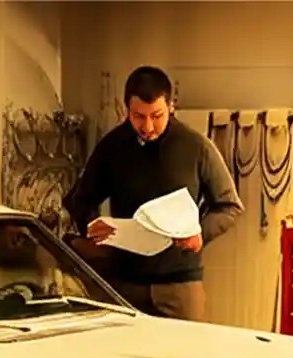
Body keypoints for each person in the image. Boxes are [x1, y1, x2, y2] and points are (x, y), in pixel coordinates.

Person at [63, 65, 244, 322]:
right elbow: (79, 199)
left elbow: (229, 206)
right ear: (126, 109)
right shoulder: (112, 147)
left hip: (179, 284)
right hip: (124, 282)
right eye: (138, 116)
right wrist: (91, 226)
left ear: (171, 106)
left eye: (156, 116)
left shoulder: (196, 146)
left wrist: (200, 233)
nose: (148, 126)